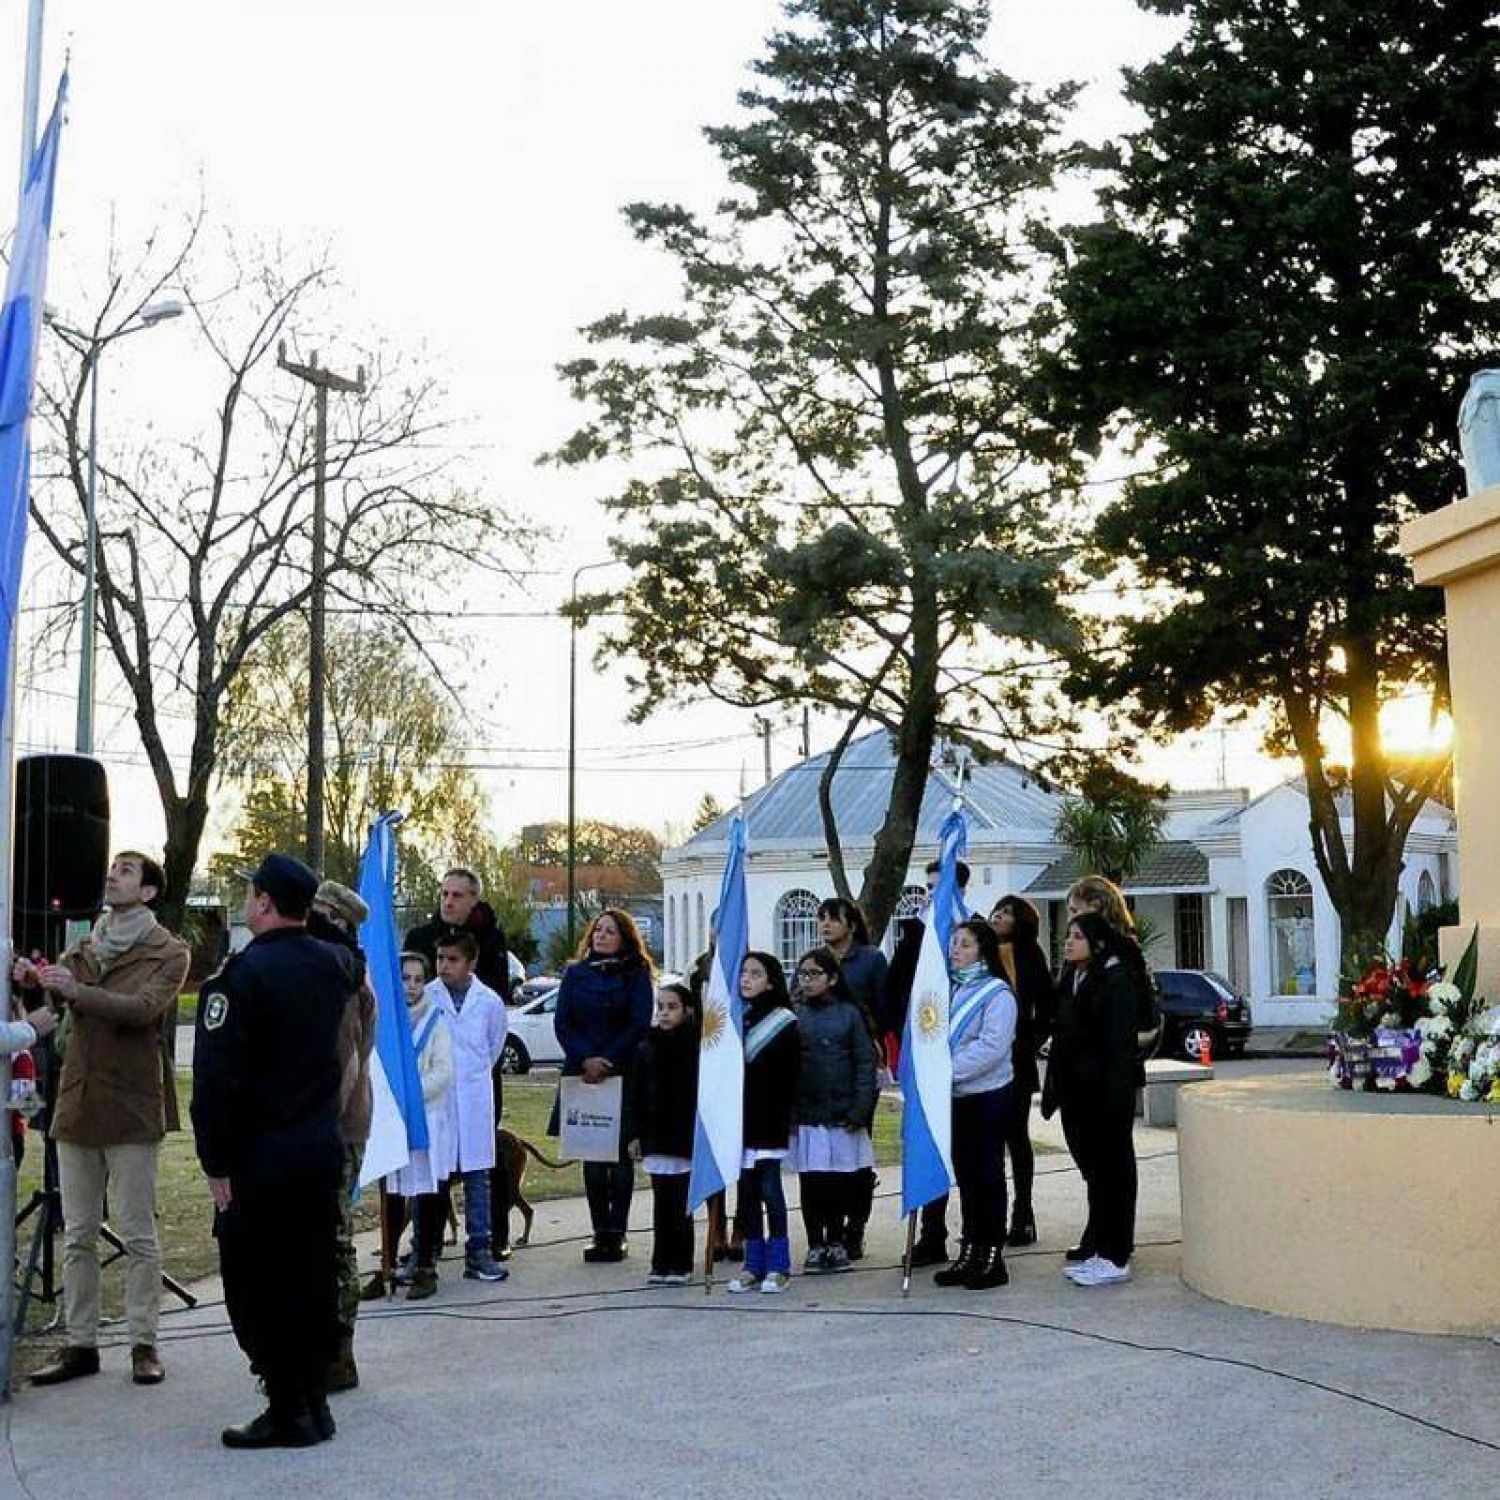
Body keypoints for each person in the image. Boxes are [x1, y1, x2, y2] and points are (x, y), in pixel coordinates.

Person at [192, 853, 361, 1449]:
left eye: (251, 896)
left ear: (263, 903)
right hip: (317, 1149)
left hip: (259, 1159)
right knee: (312, 1277)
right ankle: (313, 1401)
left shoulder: (241, 977)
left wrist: (215, 1163)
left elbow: (215, 1083)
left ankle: (287, 1406)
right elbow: (350, 950)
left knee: (256, 1284)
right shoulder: (333, 965)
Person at [24, 851, 191, 1390]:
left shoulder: (170, 951)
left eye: (125, 870)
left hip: (132, 1100)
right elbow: (59, 996)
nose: (111, 875)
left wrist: (77, 992)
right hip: (78, 1098)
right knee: (77, 1234)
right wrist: (38, 978)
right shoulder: (86, 942)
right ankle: (81, 1343)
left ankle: (144, 1343)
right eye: (112, 867)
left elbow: (143, 1009)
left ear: (146, 892)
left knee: (138, 1232)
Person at [403, 868, 517, 1264]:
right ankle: (426, 1246)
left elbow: (495, 1030)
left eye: (457, 895)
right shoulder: (420, 940)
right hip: (433, 1082)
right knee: (432, 1167)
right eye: (444, 893)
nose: (448, 901)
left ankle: (487, 1241)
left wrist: (476, 1066)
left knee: (481, 1164)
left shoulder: (491, 944)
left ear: (473, 899)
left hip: (474, 1082)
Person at [1045, 911, 1143, 1287]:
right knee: (1096, 1177)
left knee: (1112, 1175)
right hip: (1076, 1094)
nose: (1068, 942)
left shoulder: (1115, 980)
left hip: (1104, 1096)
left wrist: (1117, 1098)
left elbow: (1120, 1045)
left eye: (1078, 936)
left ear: (1097, 943)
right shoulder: (1072, 977)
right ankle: (1100, 1247)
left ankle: (1116, 1255)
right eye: (1067, 936)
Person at [885, 857, 973, 1268]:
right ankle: (931, 1235)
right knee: (926, 1146)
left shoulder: (975, 934)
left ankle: (976, 1236)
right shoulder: (915, 935)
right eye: (930, 887)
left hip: (966, 1069)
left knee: (971, 1157)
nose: (934, 895)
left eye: (943, 887)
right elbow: (895, 991)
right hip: (924, 1059)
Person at [554, 908, 654, 1263]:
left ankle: (619, 1232)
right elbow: (563, 1023)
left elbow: (639, 1021)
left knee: (619, 1157)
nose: (601, 936)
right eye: (597, 930)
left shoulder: (636, 974)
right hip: (581, 1073)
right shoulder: (575, 974)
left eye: (610, 931)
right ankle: (600, 1233)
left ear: (624, 938)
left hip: (621, 1071)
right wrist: (585, 1059)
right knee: (593, 1157)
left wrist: (607, 1060)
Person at [308, 879, 376, 1393]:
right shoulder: (331, 969)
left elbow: (344, 1059)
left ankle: (338, 1352)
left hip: (336, 1124)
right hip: (329, 1121)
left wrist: (321, 1124)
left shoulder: (346, 978)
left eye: (321, 912)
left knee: (333, 1239)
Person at [933, 918, 1017, 1292]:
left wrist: (945, 1072)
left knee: (987, 1176)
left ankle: (991, 1254)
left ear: (983, 950)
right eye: (954, 944)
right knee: (966, 1176)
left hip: (987, 1095)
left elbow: (991, 1048)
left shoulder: (998, 994)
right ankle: (970, 1248)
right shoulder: (951, 991)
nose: (956, 950)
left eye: (965, 944)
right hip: (958, 1098)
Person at [427, 932, 509, 1282]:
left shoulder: (488, 1002)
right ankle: (424, 1252)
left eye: (453, 959)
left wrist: (470, 1078)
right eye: (441, 958)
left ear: (471, 963)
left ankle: (479, 1251)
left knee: (478, 1178)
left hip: (473, 1099)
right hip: (439, 1101)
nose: (444, 966)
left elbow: (493, 1047)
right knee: (433, 1179)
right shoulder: (427, 998)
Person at [791, 946, 876, 1274]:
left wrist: (859, 1108)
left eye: (815, 974)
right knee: (812, 1183)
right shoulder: (795, 1014)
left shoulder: (849, 1015)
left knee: (842, 1182)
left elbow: (864, 1064)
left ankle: (838, 1240)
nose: (808, 980)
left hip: (843, 1115)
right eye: (803, 974)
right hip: (809, 1115)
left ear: (832, 978)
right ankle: (815, 1243)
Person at [815, 898, 886, 1259]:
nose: (825, 924)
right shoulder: (816, 961)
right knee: (825, 1156)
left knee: (856, 1149)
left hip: (859, 1060)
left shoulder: (871, 960)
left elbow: (884, 1008)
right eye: (821, 919)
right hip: (823, 1071)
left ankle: (854, 1227)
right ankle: (828, 1229)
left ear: (851, 924)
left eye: (832, 918)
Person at [727, 952, 800, 1295]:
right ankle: (752, 1263)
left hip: (768, 1117)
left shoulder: (783, 1021)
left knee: (771, 1191)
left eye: (755, 974)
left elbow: (790, 1076)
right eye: (743, 973)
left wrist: (787, 1116)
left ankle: (779, 1263)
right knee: (746, 1195)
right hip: (739, 1119)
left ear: (770, 981)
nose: (746, 979)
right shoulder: (734, 1018)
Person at [988, 894, 1053, 1247]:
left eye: (1007, 912)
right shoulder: (981, 952)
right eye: (997, 910)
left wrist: (1028, 1041)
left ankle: (1023, 1212)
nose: (998, 916)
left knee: (1016, 1137)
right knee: (989, 1142)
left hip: (1016, 1060)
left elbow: (1045, 1008)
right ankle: (991, 1215)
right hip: (983, 1061)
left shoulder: (1029, 955)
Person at [396, 952, 459, 1300]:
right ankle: (392, 1262)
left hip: (428, 1116)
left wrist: (411, 1093)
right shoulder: (388, 1019)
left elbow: (444, 1072)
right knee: (396, 1191)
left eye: (419, 979)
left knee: (428, 1193)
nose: (412, 986)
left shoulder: (436, 1020)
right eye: (405, 978)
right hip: (396, 1119)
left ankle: (425, 1264)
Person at [627, 981, 699, 1286]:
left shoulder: (696, 1048)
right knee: (661, 1201)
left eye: (672, 1008)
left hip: (683, 1136)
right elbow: (635, 1095)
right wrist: (634, 1134)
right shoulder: (646, 1047)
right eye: (661, 1008)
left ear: (686, 1011)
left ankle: (681, 1261)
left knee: (682, 1203)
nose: (665, 1014)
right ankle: (661, 1260)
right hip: (656, 1135)